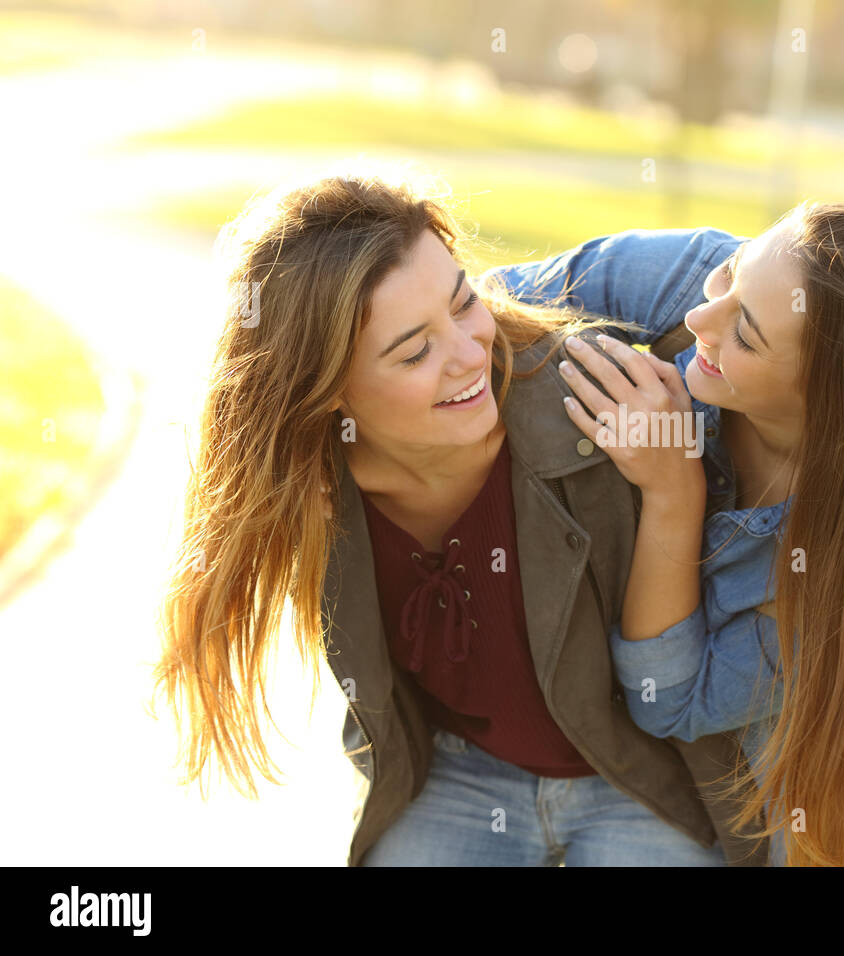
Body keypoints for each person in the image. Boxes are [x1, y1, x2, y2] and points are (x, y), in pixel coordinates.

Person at [152, 170, 772, 866]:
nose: (470, 352)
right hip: (456, 774)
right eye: (415, 350)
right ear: (326, 392)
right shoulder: (308, 488)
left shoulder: (593, 405)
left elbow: (799, 301)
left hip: (633, 778)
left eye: (464, 301)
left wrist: (675, 480)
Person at [495, 201, 844, 866]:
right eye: (731, 275)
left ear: (829, 402)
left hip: (746, 781)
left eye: (746, 335)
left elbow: (669, 701)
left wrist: (672, 490)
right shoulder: (705, 279)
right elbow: (464, 316)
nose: (698, 319)